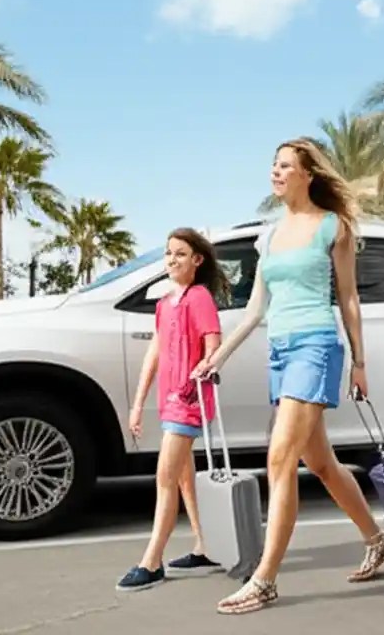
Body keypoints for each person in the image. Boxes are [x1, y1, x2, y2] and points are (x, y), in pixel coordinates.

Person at [199, 138, 384, 615]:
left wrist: (359, 362)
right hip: (281, 352)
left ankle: (264, 580)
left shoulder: (333, 226)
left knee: (280, 458)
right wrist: (218, 357)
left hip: (316, 345)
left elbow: (348, 297)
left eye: (285, 165)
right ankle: (377, 538)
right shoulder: (266, 236)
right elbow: (254, 310)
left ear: (308, 174)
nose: (276, 171)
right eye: (274, 164)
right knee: (322, 462)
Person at [116, 227, 231, 592]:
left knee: (164, 477)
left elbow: (214, 342)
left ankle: (151, 562)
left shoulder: (199, 298)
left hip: (189, 400)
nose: (172, 259)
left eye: (180, 254)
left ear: (197, 260)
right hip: (168, 400)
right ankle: (205, 546)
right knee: (181, 476)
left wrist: (206, 364)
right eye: (169, 253)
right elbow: (155, 353)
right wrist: (137, 405)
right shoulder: (165, 303)